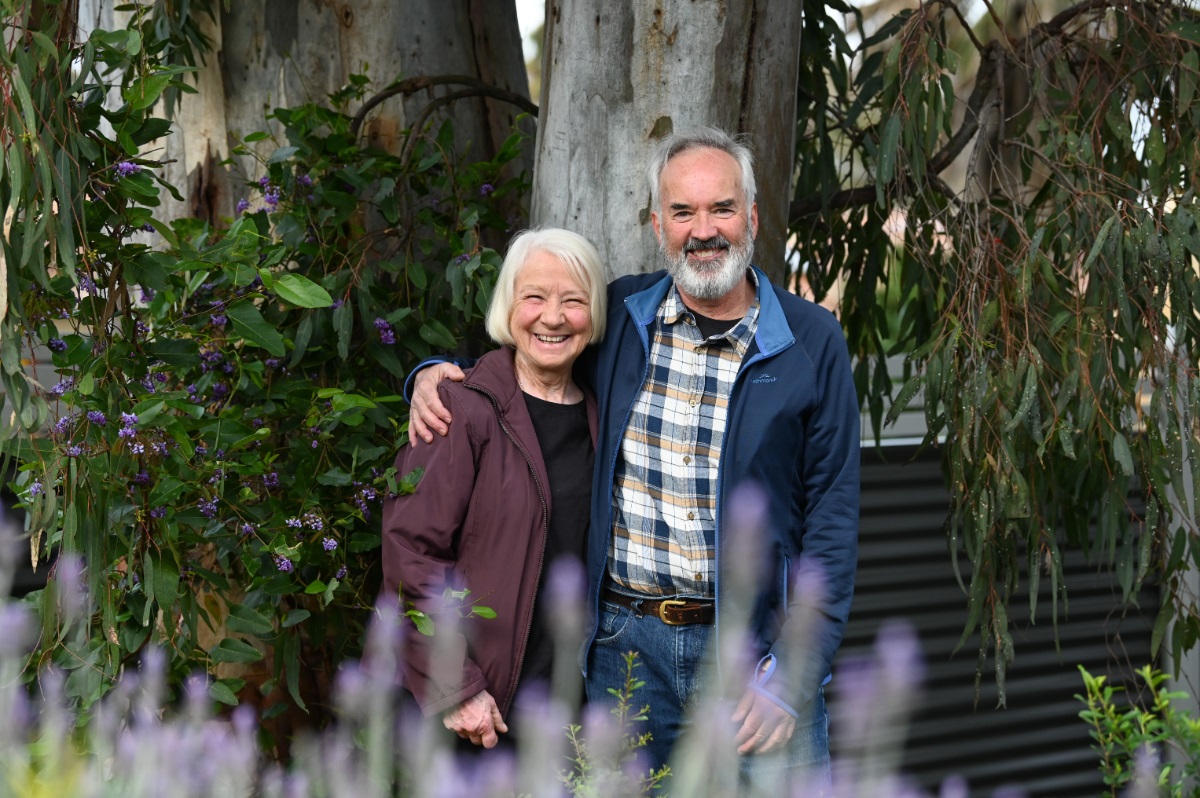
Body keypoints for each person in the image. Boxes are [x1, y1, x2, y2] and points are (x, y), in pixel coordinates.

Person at [407, 128, 859, 788]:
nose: (703, 230)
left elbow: (833, 520)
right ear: (657, 225)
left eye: (722, 208)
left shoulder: (811, 341)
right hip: (625, 652)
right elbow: (533, 352)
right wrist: (431, 377)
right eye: (682, 211)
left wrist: (794, 670)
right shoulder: (622, 317)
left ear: (753, 217)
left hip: (753, 658)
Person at [382, 227, 606, 750]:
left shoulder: (604, 412)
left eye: (574, 301)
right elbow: (410, 555)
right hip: (478, 711)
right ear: (507, 307)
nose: (553, 317)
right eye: (534, 297)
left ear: (594, 314)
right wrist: (455, 687)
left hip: (570, 711)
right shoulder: (459, 410)